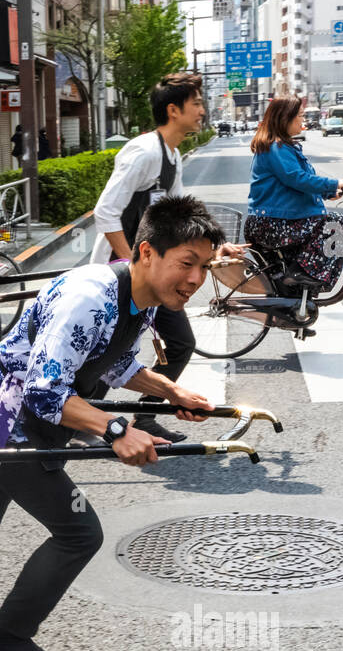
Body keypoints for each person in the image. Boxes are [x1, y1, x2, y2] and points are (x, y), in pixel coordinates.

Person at [0, 196, 223, 651]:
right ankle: (8, 637)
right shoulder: (90, 297)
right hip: (5, 425)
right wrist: (115, 429)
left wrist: (171, 390)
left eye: (204, 266)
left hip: (21, 422)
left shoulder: (141, 299)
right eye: (187, 264)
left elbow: (112, 360)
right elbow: (45, 390)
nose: (195, 279)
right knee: (79, 533)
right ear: (146, 252)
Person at [90, 73, 245, 442]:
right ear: (173, 110)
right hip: (123, 274)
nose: (203, 111)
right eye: (196, 104)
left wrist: (212, 249)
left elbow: (177, 217)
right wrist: (134, 268)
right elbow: (105, 212)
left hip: (156, 271)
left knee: (176, 344)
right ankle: (80, 417)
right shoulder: (144, 152)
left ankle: (138, 418)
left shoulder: (171, 153)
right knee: (107, 348)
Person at [246, 94, 343, 309]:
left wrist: (329, 193)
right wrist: (335, 183)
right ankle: (300, 275)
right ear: (285, 118)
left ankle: (299, 297)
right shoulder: (275, 147)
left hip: (275, 221)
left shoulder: (283, 147)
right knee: (334, 223)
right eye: (299, 116)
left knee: (331, 221)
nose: (302, 121)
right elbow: (296, 178)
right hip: (270, 224)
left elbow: (295, 185)